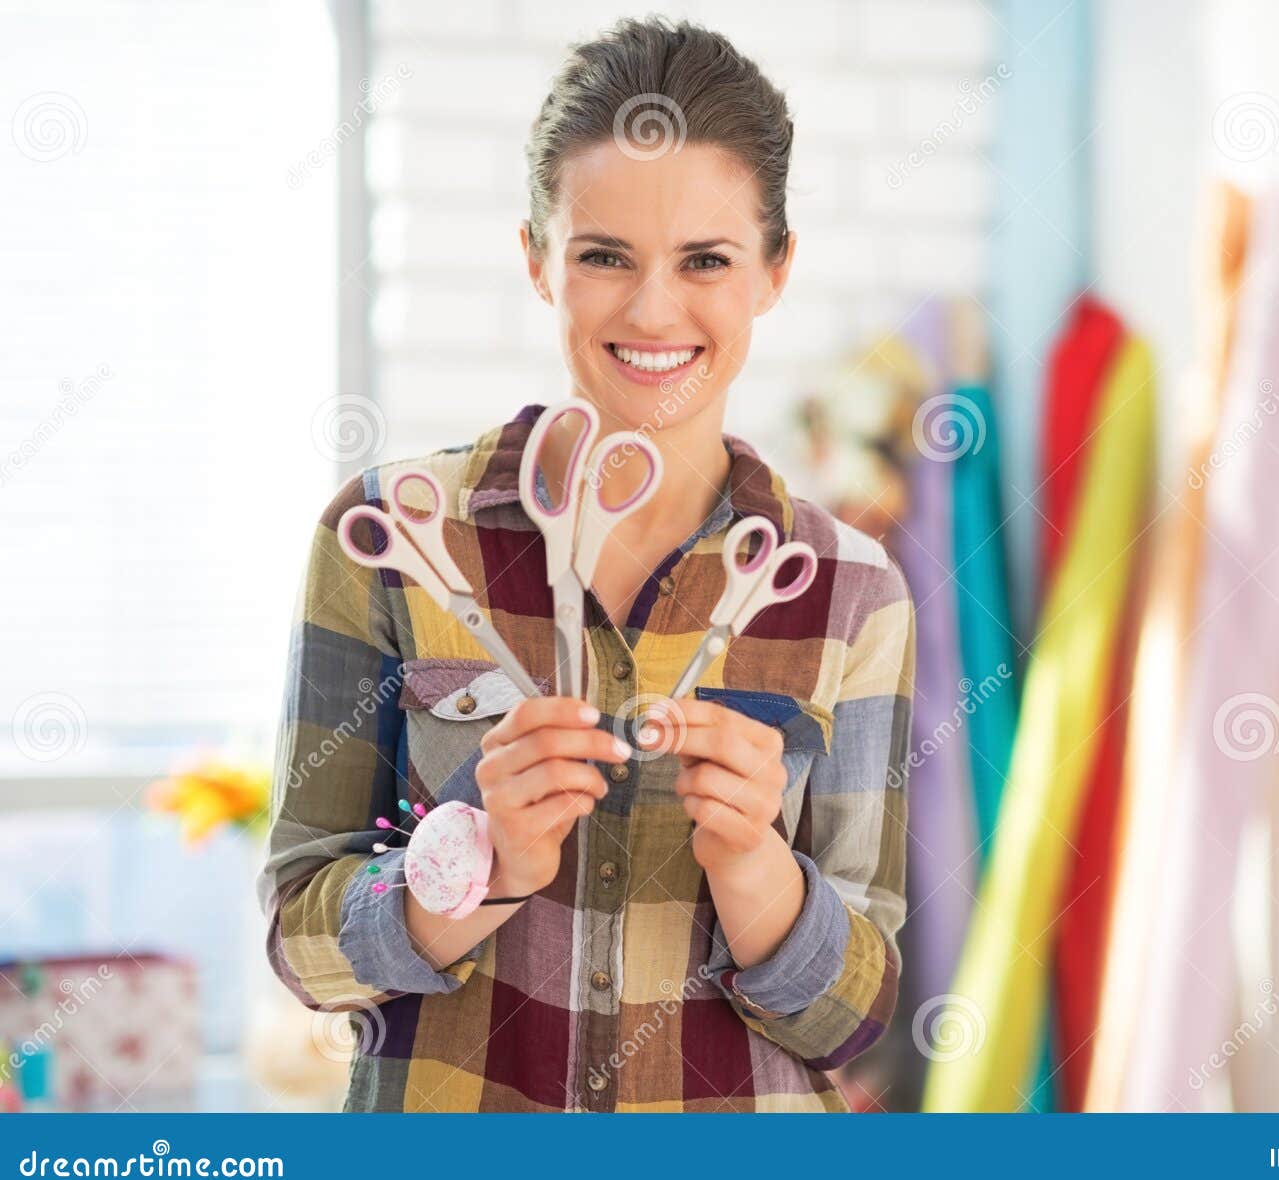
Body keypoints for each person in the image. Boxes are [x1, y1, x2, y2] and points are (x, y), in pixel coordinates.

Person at [255, 15, 916, 1113]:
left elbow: (855, 1015)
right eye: (604, 256)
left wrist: (757, 871)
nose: (653, 310)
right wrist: (466, 865)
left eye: (705, 261)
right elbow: (302, 946)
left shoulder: (850, 588)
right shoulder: (387, 537)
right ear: (534, 259)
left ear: (775, 271)